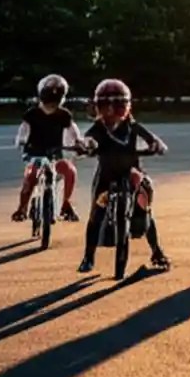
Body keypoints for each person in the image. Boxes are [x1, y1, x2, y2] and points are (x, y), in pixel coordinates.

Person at [77, 78, 171, 273]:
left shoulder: (133, 127)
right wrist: (87, 145)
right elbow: (88, 139)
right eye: (104, 106)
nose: (109, 112)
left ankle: (156, 250)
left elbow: (152, 139)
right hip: (106, 175)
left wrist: (157, 146)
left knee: (145, 204)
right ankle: (88, 257)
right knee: (96, 214)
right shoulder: (98, 128)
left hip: (132, 172)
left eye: (114, 106)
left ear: (124, 106)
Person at [12, 74, 84, 223]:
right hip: (34, 153)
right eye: (49, 102)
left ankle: (66, 204)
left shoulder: (64, 115)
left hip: (54, 155)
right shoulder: (32, 114)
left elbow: (73, 130)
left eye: (55, 102)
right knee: (31, 177)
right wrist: (21, 140)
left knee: (70, 171)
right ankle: (22, 208)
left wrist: (78, 142)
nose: (51, 106)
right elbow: (23, 130)